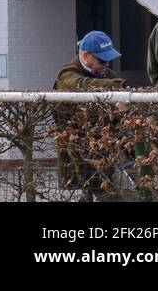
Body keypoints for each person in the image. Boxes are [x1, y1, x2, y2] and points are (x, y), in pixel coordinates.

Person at [52, 30, 129, 201]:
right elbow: (84, 85)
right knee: (112, 197)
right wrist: (119, 86)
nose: (107, 64)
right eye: (102, 60)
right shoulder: (66, 75)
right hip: (78, 155)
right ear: (86, 56)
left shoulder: (106, 75)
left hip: (104, 154)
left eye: (109, 59)